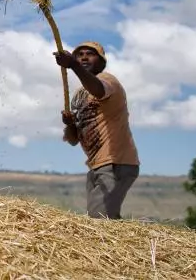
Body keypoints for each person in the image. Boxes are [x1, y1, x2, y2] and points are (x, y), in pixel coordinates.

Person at [55, 41, 140, 220]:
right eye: (80, 54)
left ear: (102, 63)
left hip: (116, 162)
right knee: (105, 219)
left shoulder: (108, 81)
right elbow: (73, 140)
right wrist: (70, 124)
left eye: (90, 54)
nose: (84, 57)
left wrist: (74, 65)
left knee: (99, 220)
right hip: (96, 165)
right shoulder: (80, 94)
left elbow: (99, 90)